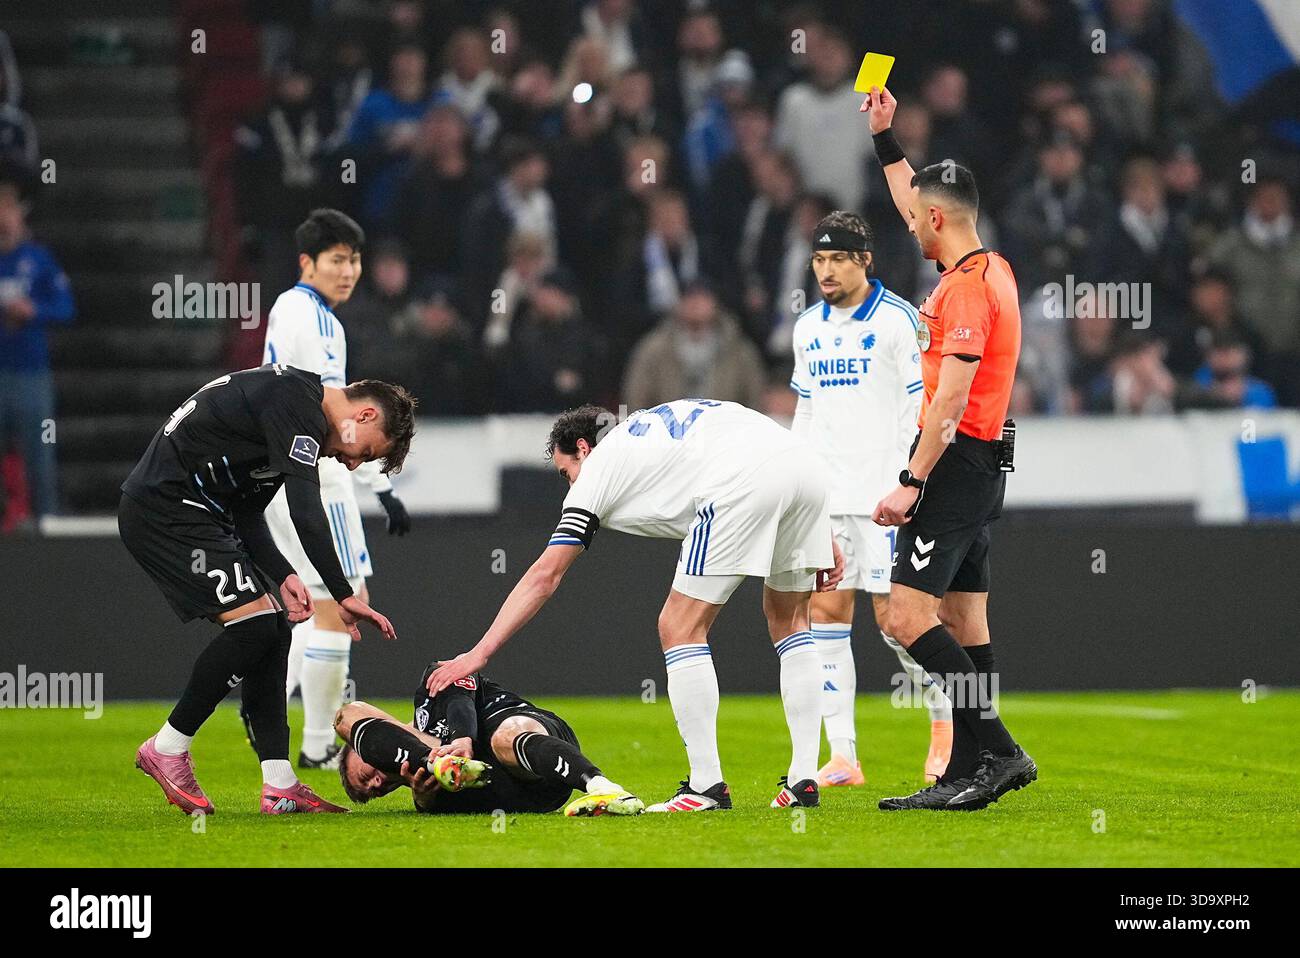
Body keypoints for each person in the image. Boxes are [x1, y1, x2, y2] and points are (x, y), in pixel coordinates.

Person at [426, 400, 844, 812]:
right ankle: (802, 780)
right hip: (804, 469)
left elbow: (545, 575)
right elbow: (765, 450)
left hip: (742, 481)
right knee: (791, 622)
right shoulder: (649, 430)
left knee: (678, 627)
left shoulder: (601, 465)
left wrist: (478, 654)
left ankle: (706, 787)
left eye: (565, 472)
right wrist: (819, 530)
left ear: (583, 449)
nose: (570, 485)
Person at [119, 365, 414, 814]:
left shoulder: (288, 410)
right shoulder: (295, 401)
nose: (352, 464)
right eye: (365, 452)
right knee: (255, 625)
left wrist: (284, 573)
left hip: (198, 514)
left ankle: (279, 784)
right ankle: (168, 746)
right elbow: (306, 512)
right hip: (167, 509)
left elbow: (247, 511)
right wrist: (341, 591)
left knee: (274, 627)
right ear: (366, 415)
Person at [864, 85, 1036, 811]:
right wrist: (884, 139)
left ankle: (999, 751)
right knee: (966, 622)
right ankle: (968, 772)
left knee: (903, 617)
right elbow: (915, 198)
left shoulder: (965, 293)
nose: (908, 227)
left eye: (916, 220)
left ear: (937, 219)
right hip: (985, 461)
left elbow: (950, 404)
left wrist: (910, 480)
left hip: (957, 462)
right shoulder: (988, 267)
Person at [790, 210, 953, 788]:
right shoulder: (806, 327)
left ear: (865, 261)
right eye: (819, 260)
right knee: (826, 615)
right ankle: (845, 757)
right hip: (830, 500)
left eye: (838, 259)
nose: (826, 270)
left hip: (887, 497)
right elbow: (807, 411)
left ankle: (946, 730)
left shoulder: (897, 321)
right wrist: (797, 480)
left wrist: (912, 482)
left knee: (899, 623)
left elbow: (923, 406)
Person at [258, 209, 412, 770]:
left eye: (354, 260)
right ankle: (320, 740)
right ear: (308, 262)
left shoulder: (287, 309)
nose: (348, 271)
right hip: (317, 477)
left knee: (310, 604)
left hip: (282, 473)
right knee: (343, 608)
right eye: (337, 260)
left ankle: (274, 713)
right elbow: (334, 414)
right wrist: (377, 482)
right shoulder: (318, 319)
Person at [334, 664, 642, 817]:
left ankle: (604, 789)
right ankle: (436, 759)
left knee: (505, 736)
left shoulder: (429, 693)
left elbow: (457, 687)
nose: (377, 783)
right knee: (459, 762)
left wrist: (462, 738)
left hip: (533, 741)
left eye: (366, 774)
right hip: (518, 793)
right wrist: (427, 802)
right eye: (375, 791)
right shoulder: (427, 790)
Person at [0, 177, 75, 525]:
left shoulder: (38, 259)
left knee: (39, 458)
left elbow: (65, 308)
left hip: (31, 375)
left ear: (19, 214)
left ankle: (47, 531)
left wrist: (33, 312)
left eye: (7, 208)